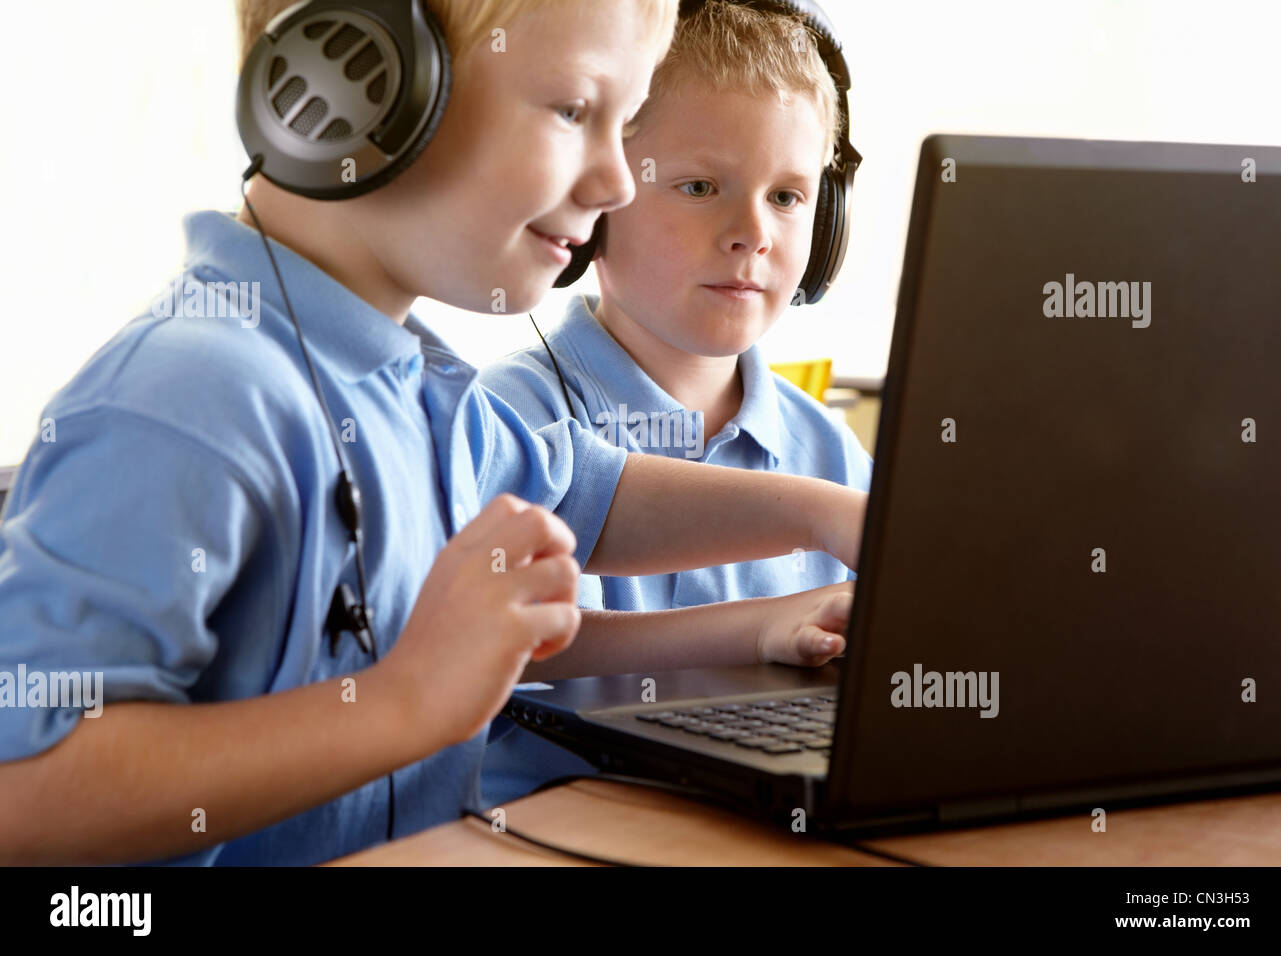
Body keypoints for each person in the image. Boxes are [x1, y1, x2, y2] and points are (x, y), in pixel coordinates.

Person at [0, 0, 863, 866]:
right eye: (575, 112)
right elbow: (27, 791)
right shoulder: (191, 396)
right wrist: (404, 702)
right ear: (360, 85)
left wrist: (824, 514)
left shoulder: (409, 382)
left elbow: (596, 498)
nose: (616, 184)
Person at [479, 0, 872, 804]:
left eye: (789, 197)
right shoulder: (514, 417)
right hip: (552, 826)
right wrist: (764, 630)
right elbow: (515, 652)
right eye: (700, 185)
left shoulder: (830, 453)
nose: (751, 233)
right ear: (595, 201)